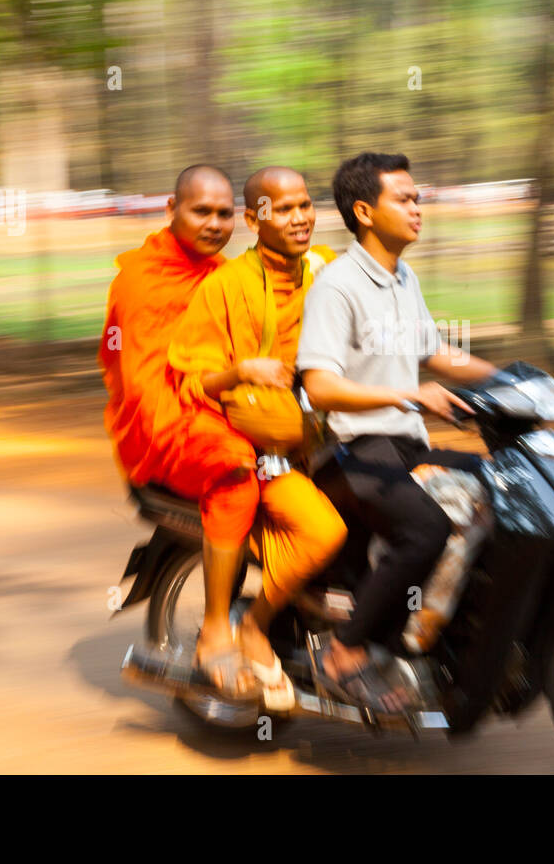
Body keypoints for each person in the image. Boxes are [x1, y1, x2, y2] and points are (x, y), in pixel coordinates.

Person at [297, 151, 498, 714]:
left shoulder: (402, 277)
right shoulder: (338, 286)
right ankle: (343, 650)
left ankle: (437, 629)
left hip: (402, 447)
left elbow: (436, 353)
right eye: (404, 198)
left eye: (418, 198)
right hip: (352, 453)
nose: (417, 208)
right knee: (427, 529)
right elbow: (320, 387)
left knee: (502, 484)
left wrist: (513, 380)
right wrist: (409, 394)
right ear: (365, 211)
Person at [168, 166, 348, 709]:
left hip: (327, 440)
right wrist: (242, 370)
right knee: (323, 534)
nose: (300, 218)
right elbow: (190, 377)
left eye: (305, 205)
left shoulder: (327, 271)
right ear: (254, 219)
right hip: (268, 456)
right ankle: (239, 626)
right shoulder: (226, 286)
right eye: (283, 209)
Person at [98, 164, 265, 700]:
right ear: (172, 211)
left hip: (209, 408)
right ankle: (217, 629)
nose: (214, 223)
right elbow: (148, 388)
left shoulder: (221, 274)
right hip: (164, 430)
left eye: (223, 214)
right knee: (240, 474)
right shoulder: (142, 283)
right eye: (201, 211)